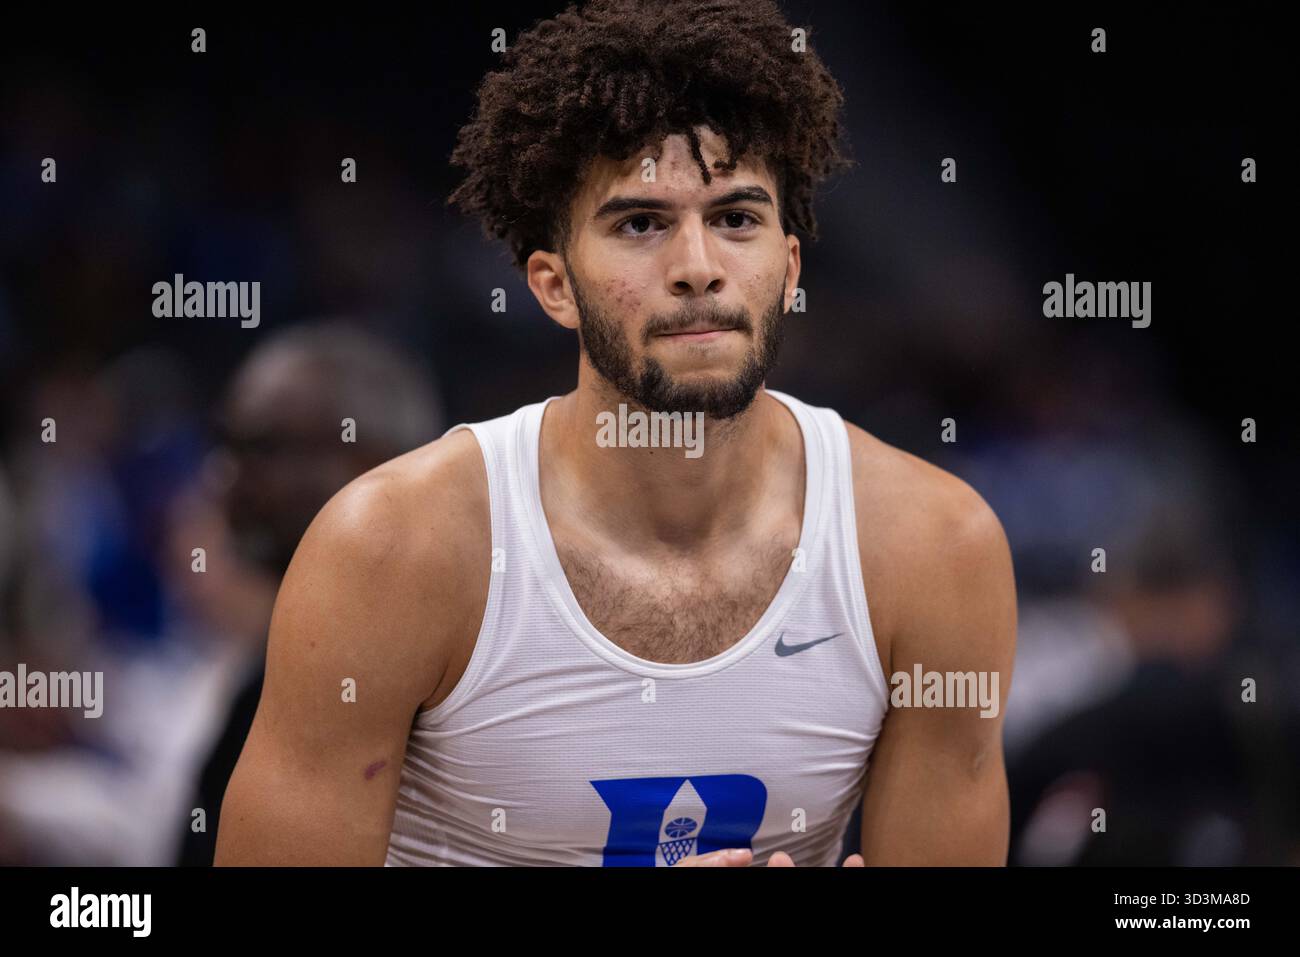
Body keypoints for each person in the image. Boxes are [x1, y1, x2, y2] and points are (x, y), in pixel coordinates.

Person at [216, 0, 1016, 867]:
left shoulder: (933, 548)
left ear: (788, 269)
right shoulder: (391, 548)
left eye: (737, 219)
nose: (698, 266)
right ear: (554, 287)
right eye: (641, 224)